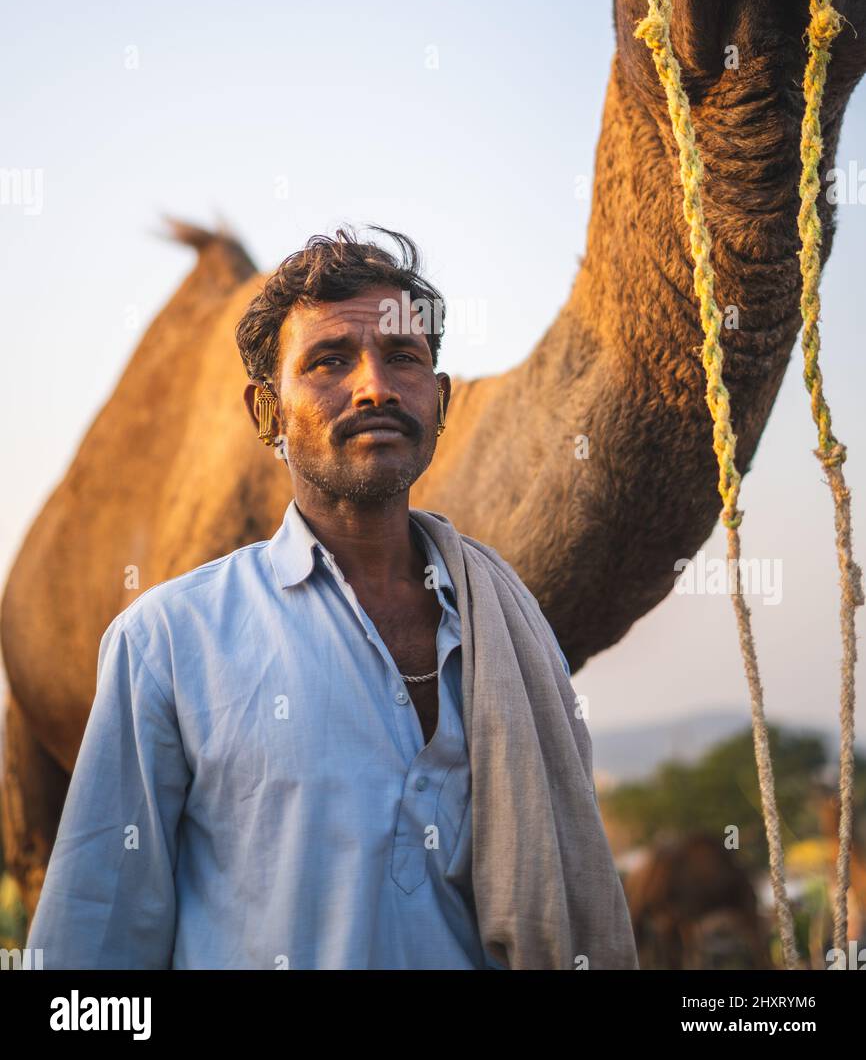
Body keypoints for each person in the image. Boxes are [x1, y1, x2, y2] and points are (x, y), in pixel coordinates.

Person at [27, 225, 637, 970]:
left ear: (439, 400)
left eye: (403, 358)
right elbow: (92, 945)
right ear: (266, 414)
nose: (375, 385)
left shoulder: (507, 625)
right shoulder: (166, 642)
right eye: (329, 361)